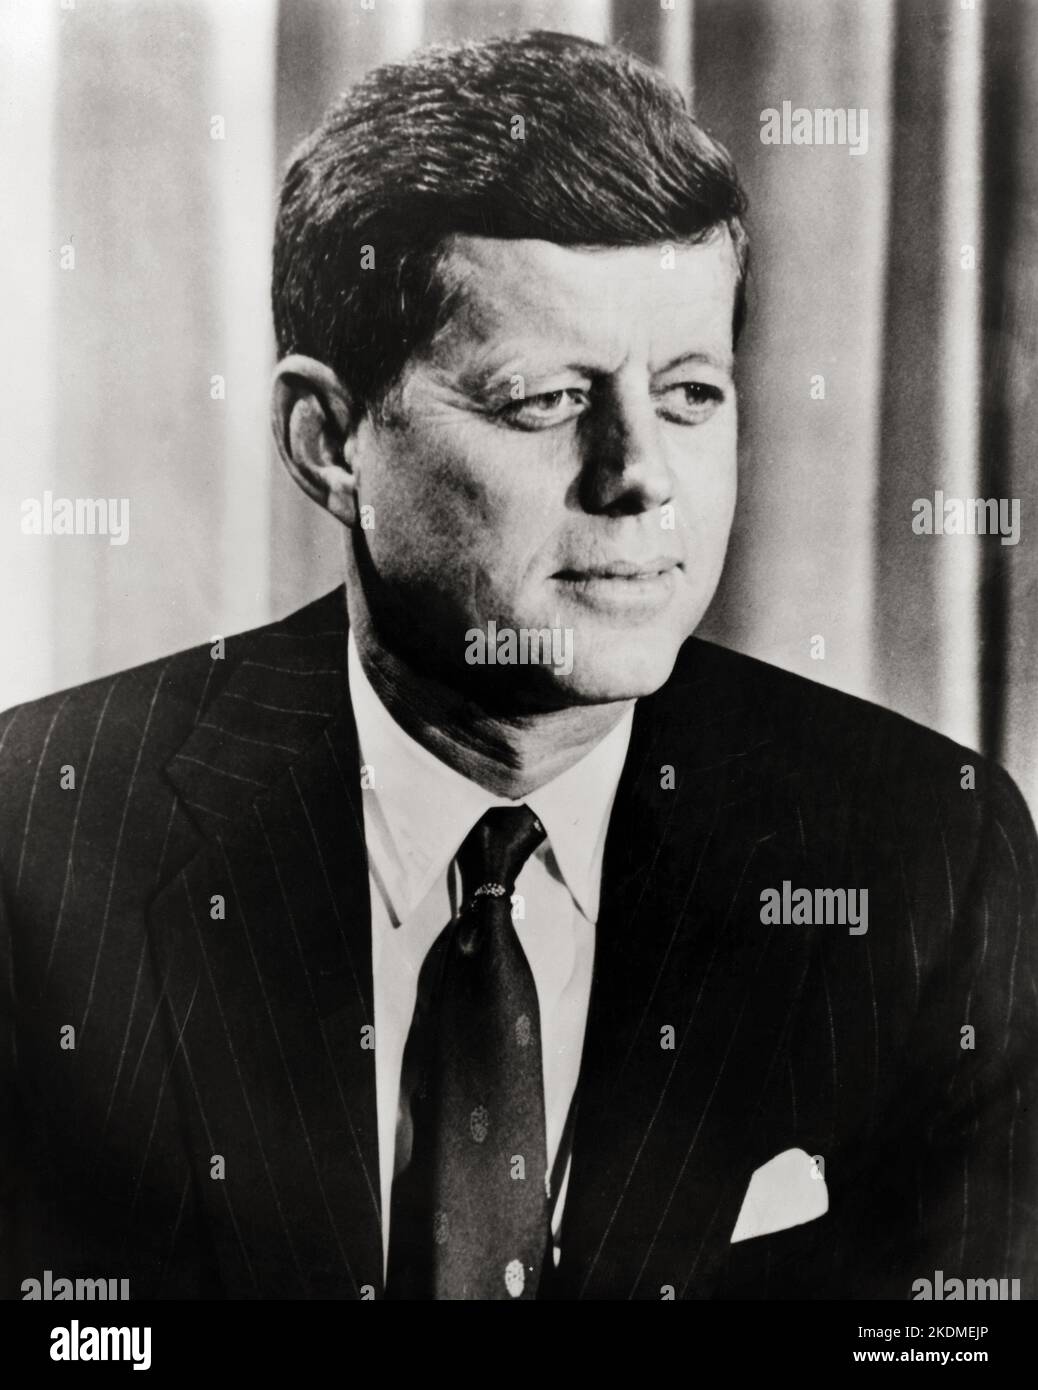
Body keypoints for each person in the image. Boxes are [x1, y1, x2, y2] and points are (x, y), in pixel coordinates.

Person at [1, 30, 1035, 1302]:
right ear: (328, 442)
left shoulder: (925, 857)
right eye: (547, 400)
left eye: (692, 394)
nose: (639, 474)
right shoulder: (39, 833)